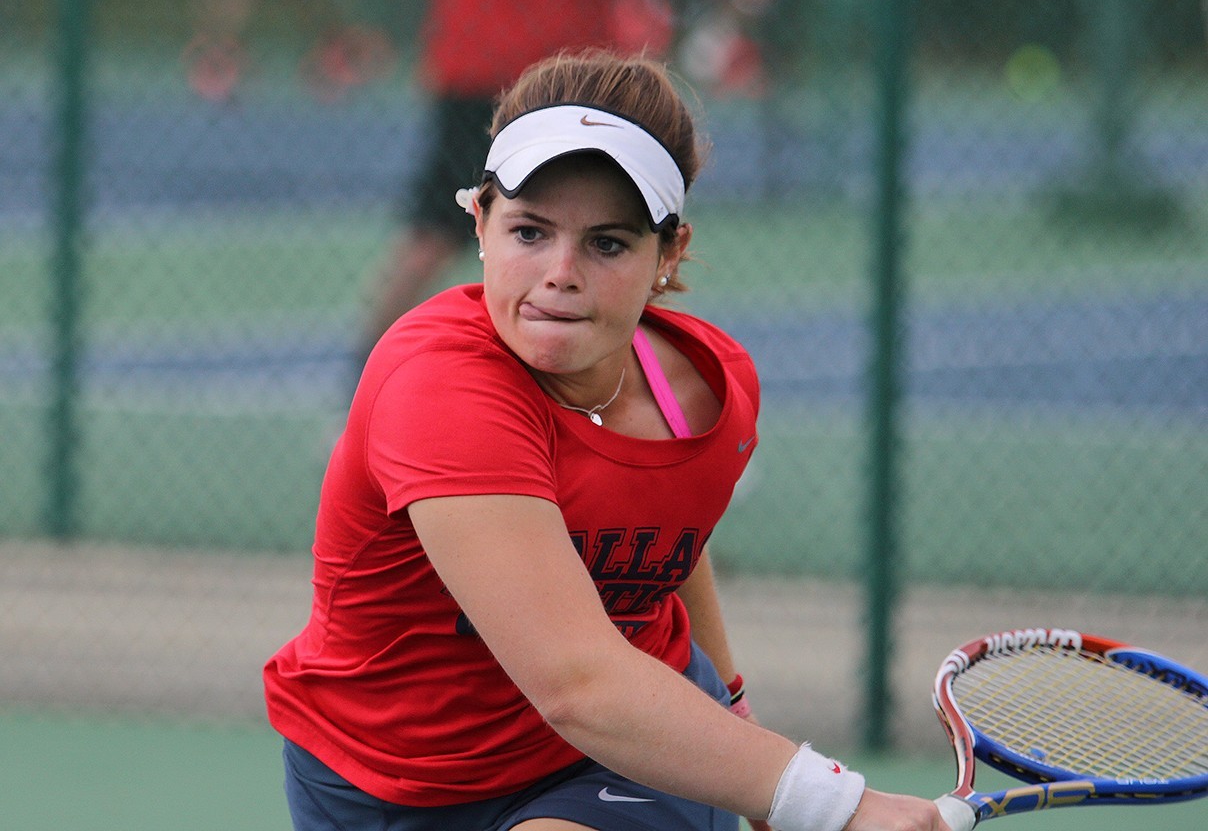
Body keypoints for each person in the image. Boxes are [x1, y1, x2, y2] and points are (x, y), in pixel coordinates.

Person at [263, 49, 949, 831]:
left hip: (612, 759)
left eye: (609, 244)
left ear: (671, 256)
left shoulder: (706, 397)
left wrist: (732, 720)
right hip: (373, 781)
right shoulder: (439, 387)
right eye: (530, 230)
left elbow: (665, 545)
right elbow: (577, 682)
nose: (560, 271)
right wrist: (827, 802)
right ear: (480, 223)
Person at [354, 0, 675, 379]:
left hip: (557, 71)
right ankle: (368, 379)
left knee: (611, 231)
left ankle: (367, 379)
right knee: (440, 233)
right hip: (514, 71)